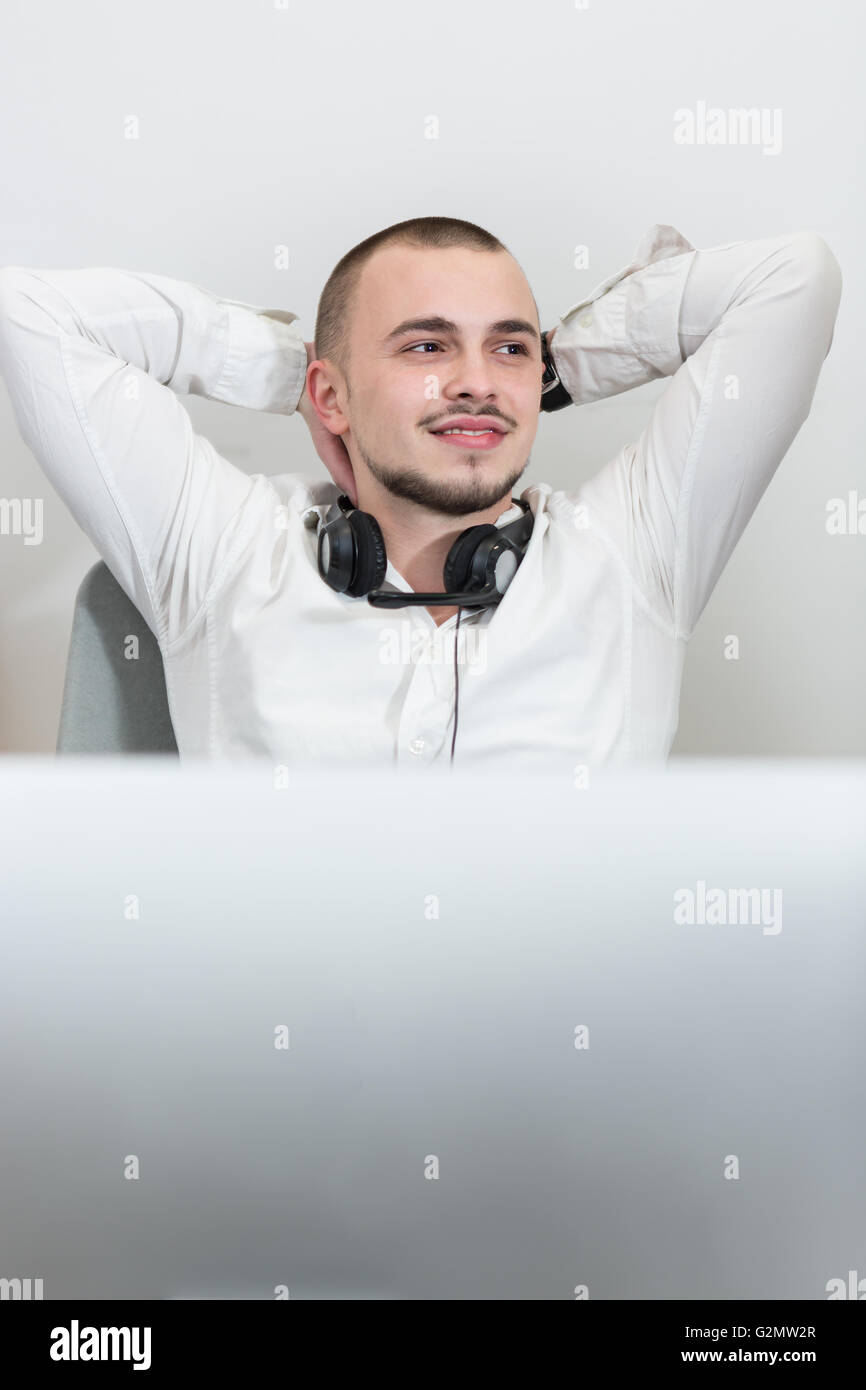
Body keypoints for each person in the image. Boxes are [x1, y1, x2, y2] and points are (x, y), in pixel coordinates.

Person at [0, 216, 842, 769]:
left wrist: (558, 369)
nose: (477, 384)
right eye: (427, 348)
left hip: (571, 1039)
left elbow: (793, 278)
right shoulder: (220, 550)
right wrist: (288, 372)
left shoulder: (635, 556)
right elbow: (29, 311)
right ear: (334, 395)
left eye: (507, 349)